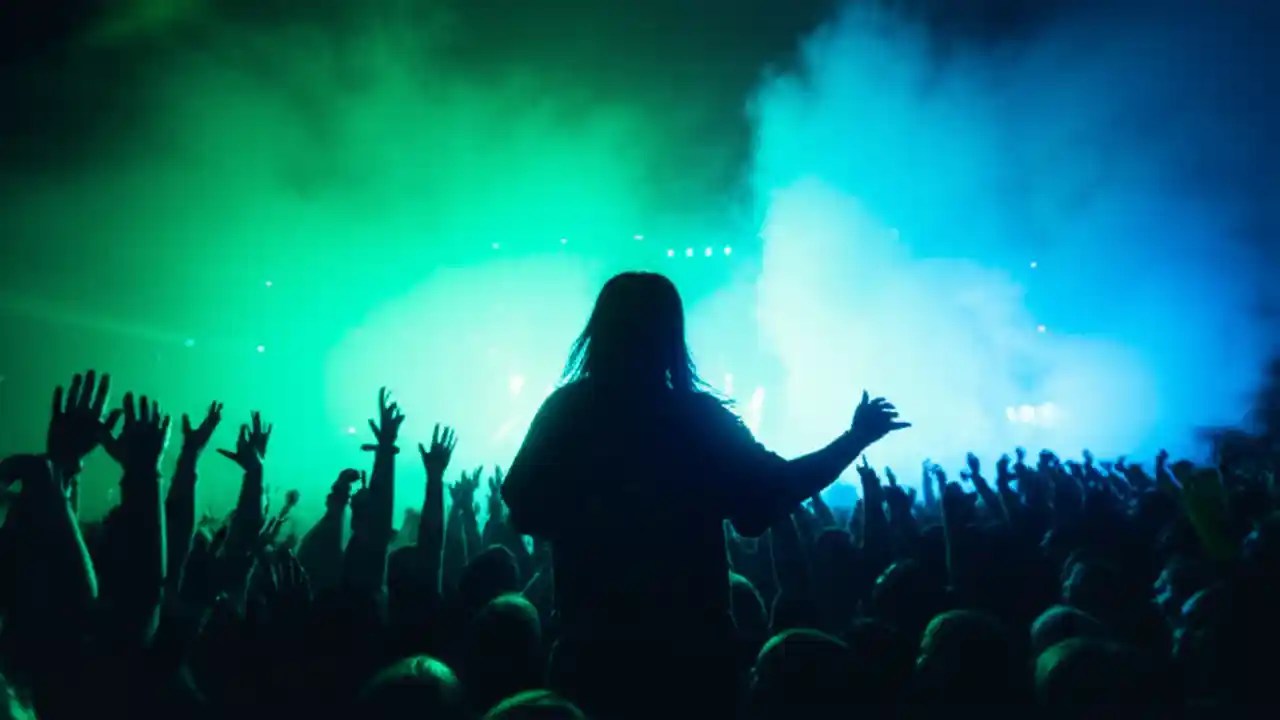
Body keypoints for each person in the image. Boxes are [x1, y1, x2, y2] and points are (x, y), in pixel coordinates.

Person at [501, 272, 909, 718]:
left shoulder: (566, 411)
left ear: (600, 329)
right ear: (671, 336)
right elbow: (769, 496)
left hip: (592, 653)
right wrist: (854, 439)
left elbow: (523, 508)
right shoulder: (696, 419)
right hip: (692, 659)